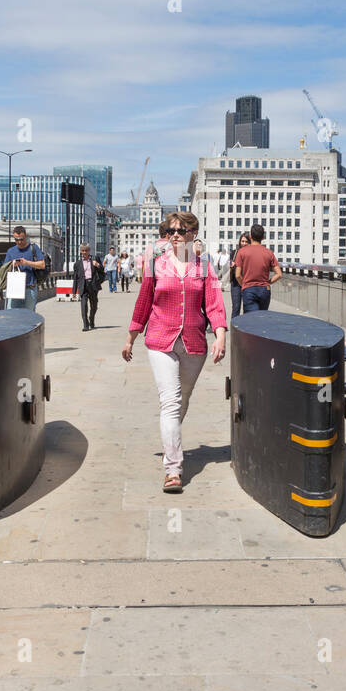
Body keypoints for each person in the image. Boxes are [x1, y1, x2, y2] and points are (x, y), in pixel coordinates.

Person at [123, 211, 227, 493]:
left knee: (183, 400)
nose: (176, 235)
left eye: (181, 230)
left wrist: (220, 336)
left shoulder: (204, 266)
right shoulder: (154, 265)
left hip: (194, 342)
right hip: (159, 339)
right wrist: (131, 337)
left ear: (193, 233)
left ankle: (171, 437)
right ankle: (173, 469)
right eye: (170, 231)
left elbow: (214, 303)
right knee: (170, 401)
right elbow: (144, 301)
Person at [233, 224, 280, 313]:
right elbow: (279, 274)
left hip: (248, 289)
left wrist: (244, 285)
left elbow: (238, 275)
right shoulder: (269, 253)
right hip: (264, 290)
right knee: (262, 318)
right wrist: (267, 282)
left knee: (251, 320)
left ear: (250, 236)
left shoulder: (242, 252)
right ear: (263, 237)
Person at [2, 226, 47, 311]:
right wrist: (13, 264)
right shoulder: (10, 251)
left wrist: (26, 262)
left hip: (30, 288)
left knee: (29, 317)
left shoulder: (34, 248)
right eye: (16, 239)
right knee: (12, 315)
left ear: (26, 236)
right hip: (15, 289)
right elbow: (5, 268)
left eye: (21, 239)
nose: (19, 242)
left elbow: (42, 264)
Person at [72, 244, 105, 330]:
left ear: (89, 251)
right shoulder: (77, 264)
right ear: (80, 251)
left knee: (94, 305)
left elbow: (102, 270)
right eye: (83, 250)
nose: (84, 252)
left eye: (86, 250)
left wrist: (97, 265)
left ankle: (91, 319)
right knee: (84, 306)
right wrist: (74, 291)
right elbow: (75, 278)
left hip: (93, 285)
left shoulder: (94, 260)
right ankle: (85, 325)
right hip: (83, 286)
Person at [226, 234, 249, 316]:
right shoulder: (234, 252)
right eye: (242, 241)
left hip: (247, 283)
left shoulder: (250, 254)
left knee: (247, 308)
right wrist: (230, 264)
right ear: (240, 242)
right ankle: (234, 327)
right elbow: (228, 263)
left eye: (246, 241)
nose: (244, 243)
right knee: (236, 307)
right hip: (236, 283)